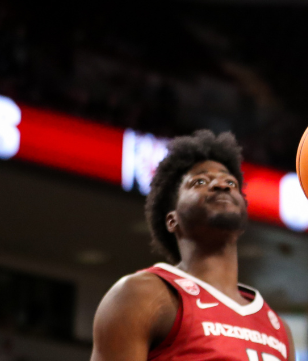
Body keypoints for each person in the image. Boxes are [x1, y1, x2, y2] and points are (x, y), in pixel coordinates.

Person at [91, 131, 295, 361]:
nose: (221, 185)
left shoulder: (279, 330)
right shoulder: (142, 295)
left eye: (231, 182)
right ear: (172, 219)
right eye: (200, 181)